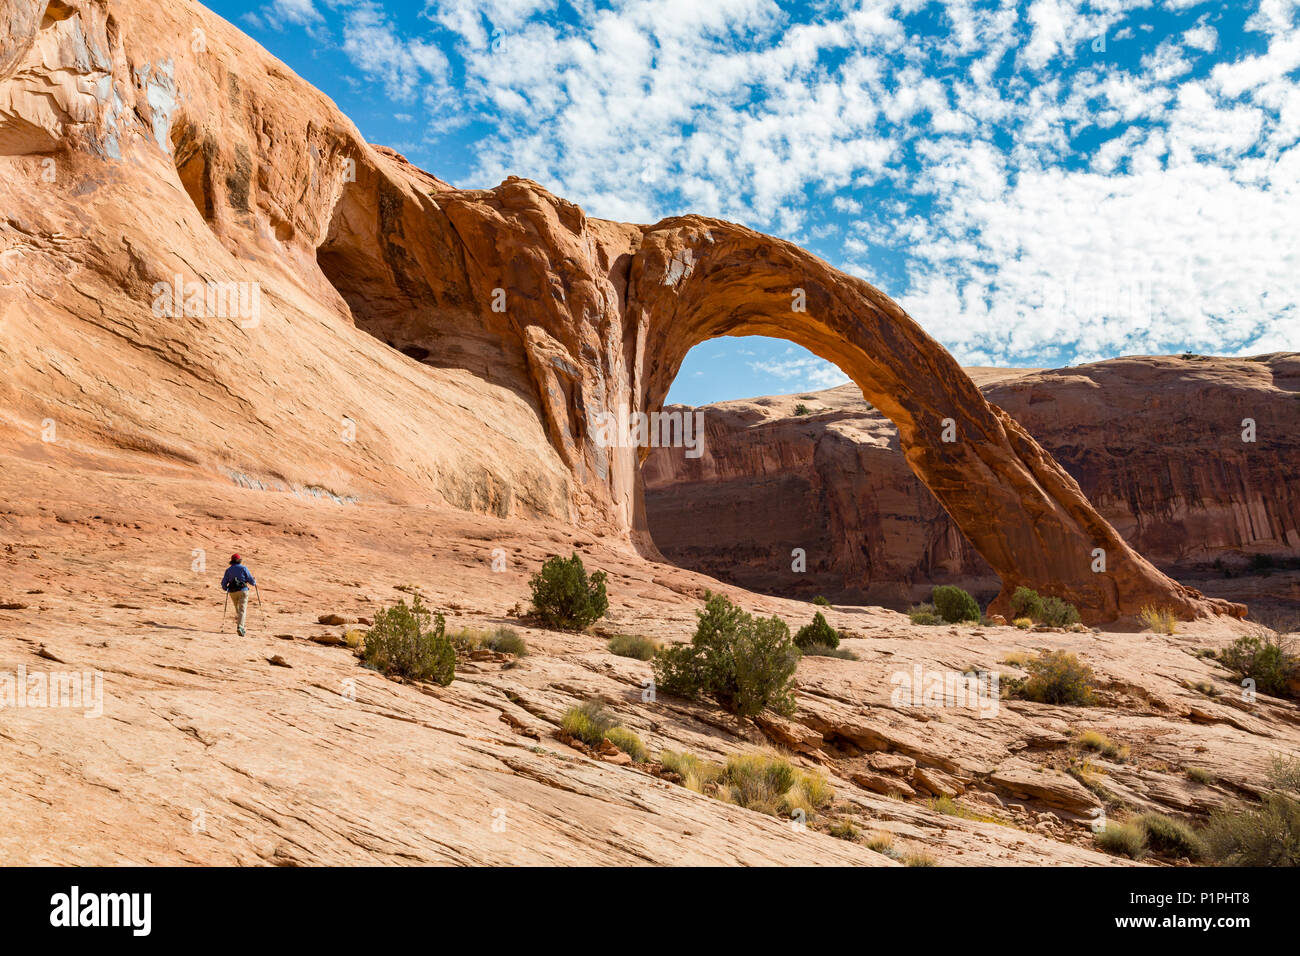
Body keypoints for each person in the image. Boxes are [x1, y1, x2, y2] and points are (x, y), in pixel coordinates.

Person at [221, 554, 257, 636]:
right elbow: (251, 580)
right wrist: (254, 582)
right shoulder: (243, 568)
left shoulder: (228, 570)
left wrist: (226, 589)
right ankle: (240, 627)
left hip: (232, 592)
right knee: (242, 609)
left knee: (238, 609)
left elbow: (223, 584)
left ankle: (241, 625)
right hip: (243, 591)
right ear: (239, 560)